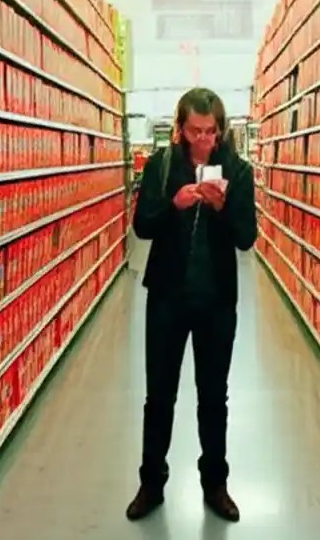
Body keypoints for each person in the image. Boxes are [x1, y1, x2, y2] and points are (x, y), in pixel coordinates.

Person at [126, 88, 257, 523]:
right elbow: (142, 227)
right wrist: (174, 205)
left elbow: (246, 237)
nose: (203, 140)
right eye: (195, 131)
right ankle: (151, 483)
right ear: (180, 129)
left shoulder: (238, 171)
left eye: (210, 132)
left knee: (213, 397)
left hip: (217, 302)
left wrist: (222, 208)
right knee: (158, 396)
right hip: (167, 297)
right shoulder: (161, 167)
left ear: (220, 130)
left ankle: (215, 484)